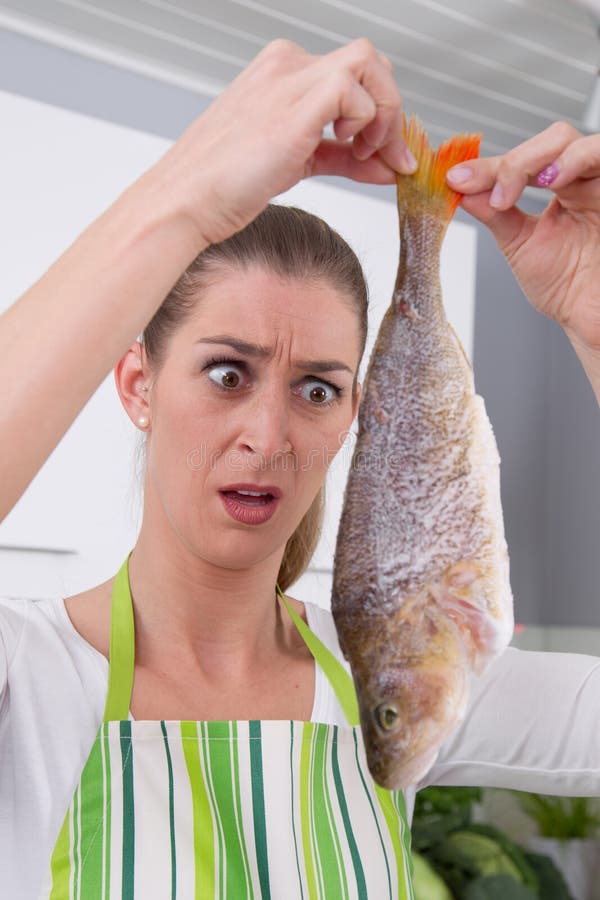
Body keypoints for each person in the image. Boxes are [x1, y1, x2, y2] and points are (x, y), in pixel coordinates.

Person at [0, 37, 599, 899]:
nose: (269, 434)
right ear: (138, 384)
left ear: (353, 411)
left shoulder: (403, 680)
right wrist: (187, 196)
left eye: (318, 389)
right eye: (226, 373)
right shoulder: (30, 676)